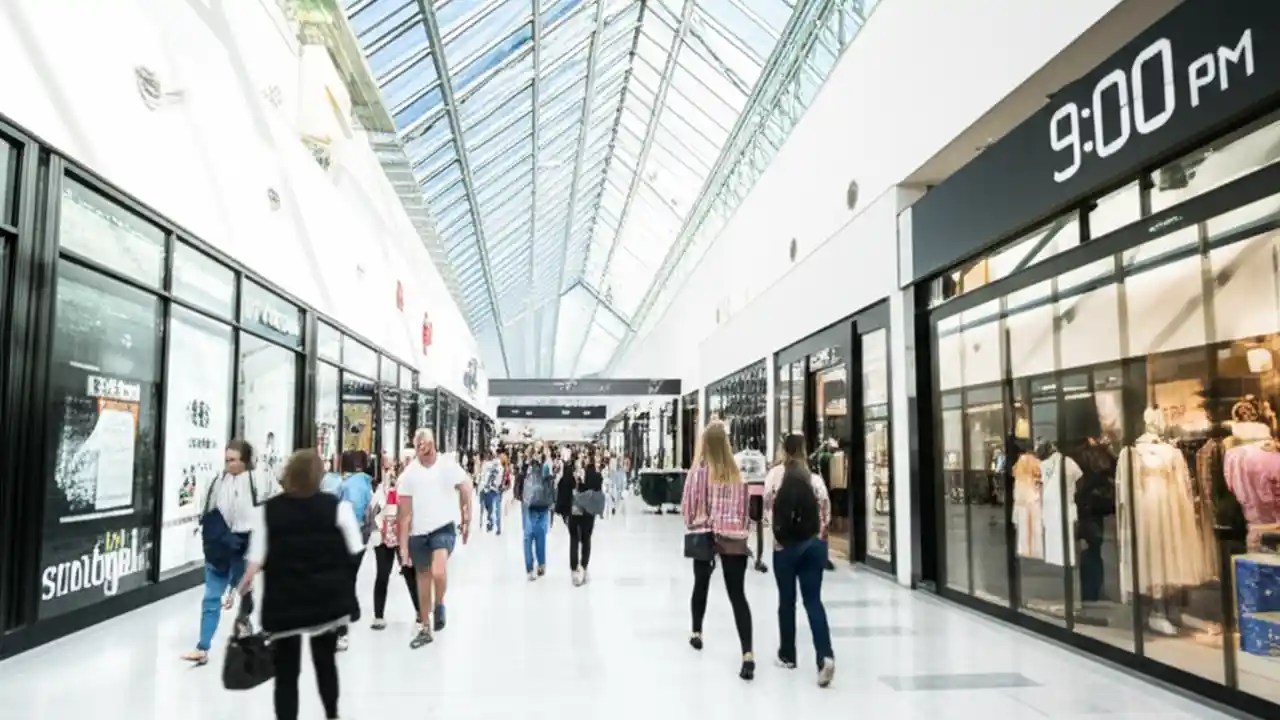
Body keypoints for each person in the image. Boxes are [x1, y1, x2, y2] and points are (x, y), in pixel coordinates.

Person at [235, 449, 361, 720]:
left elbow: (255, 561)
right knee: (325, 663)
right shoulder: (337, 507)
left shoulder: (267, 511)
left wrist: (242, 586)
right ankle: (331, 714)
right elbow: (355, 547)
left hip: (284, 603)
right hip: (324, 602)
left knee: (286, 673)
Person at [682, 421, 755, 680]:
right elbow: (747, 513)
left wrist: (696, 522)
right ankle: (747, 654)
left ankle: (696, 632)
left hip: (706, 535)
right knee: (738, 595)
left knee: (700, 584)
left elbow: (688, 508)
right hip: (735, 538)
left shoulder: (699, 471)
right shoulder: (738, 474)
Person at [181, 439, 263, 665]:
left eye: (234, 459)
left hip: (244, 546)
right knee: (211, 596)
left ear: (245, 461)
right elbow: (207, 509)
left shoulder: (257, 484)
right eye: (226, 459)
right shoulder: (217, 481)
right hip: (219, 546)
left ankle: (245, 620)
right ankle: (202, 646)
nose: (228, 463)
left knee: (243, 590)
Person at [765, 435, 835, 687]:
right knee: (814, 601)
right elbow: (826, 512)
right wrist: (818, 539)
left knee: (787, 601)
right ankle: (825, 656)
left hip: (784, 547)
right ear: (805, 451)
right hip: (814, 546)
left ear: (783, 450)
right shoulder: (814, 479)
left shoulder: (775, 476)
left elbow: (767, 509)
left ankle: (787, 655)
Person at [397, 429, 472, 648]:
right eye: (418, 445)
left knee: (438, 571)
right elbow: (405, 514)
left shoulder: (447, 465)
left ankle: (439, 603)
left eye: (425, 444)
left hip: (443, 528)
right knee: (423, 577)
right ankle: (425, 625)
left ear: (433, 444)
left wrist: (466, 517)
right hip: (418, 534)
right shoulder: (408, 475)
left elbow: (466, 486)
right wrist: (403, 547)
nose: (422, 449)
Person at [370, 456, 420, 629]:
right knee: (394, 573)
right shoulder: (383, 488)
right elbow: (373, 508)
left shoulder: (410, 489)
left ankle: (420, 613)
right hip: (387, 535)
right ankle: (379, 615)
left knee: (407, 573)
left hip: (399, 535)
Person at [333, 450, 374, 651]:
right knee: (348, 580)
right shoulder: (367, 485)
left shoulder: (346, 485)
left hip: (345, 537)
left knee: (342, 583)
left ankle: (341, 631)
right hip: (361, 538)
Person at [566, 457, 604, 586]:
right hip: (589, 510)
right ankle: (583, 565)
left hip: (576, 508)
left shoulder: (573, 472)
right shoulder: (596, 475)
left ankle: (574, 567)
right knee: (586, 537)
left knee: (574, 537)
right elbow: (599, 491)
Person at [522, 449, 555, 580]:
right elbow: (551, 483)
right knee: (541, 536)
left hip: (529, 504)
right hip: (543, 504)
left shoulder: (527, 468)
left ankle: (530, 568)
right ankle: (541, 565)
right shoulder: (546, 467)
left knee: (528, 537)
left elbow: (520, 482)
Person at [478, 450, 503, 534]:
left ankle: (490, 525)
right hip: (493, 490)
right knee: (493, 509)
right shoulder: (497, 466)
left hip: (491, 490)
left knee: (491, 509)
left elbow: (482, 478)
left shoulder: (488, 465)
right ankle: (493, 526)